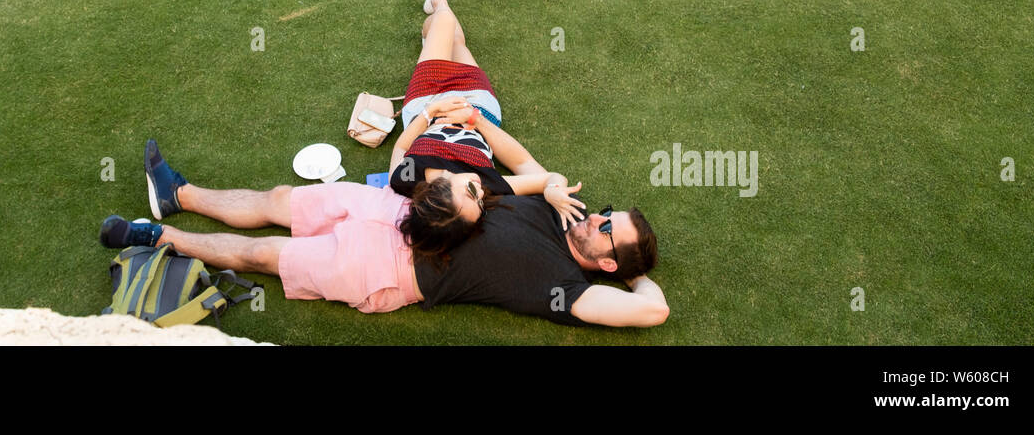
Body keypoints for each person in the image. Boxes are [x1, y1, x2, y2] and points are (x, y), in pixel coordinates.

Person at [99, 143, 668, 326]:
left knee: (265, 255)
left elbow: (652, 313)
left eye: (608, 229)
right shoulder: (559, 212)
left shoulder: (569, 287)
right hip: (394, 208)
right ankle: (183, 194)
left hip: (389, 268)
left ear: (611, 263)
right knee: (280, 201)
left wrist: (637, 275)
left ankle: (158, 234)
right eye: (607, 211)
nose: (597, 217)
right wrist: (550, 185)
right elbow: (529, 171)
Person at [390, 0, 585, 231]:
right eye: (481, 204)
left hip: (426, 99)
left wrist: (431, 112)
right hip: (476, 103)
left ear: (442, 187)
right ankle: (434, 22)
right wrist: (553, 188)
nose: (481, 195)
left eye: (472, 194)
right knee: (457, 40)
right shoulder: (487, 183)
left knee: (445, 21)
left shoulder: (407, 177)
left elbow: (400, 148)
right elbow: (534, 170)